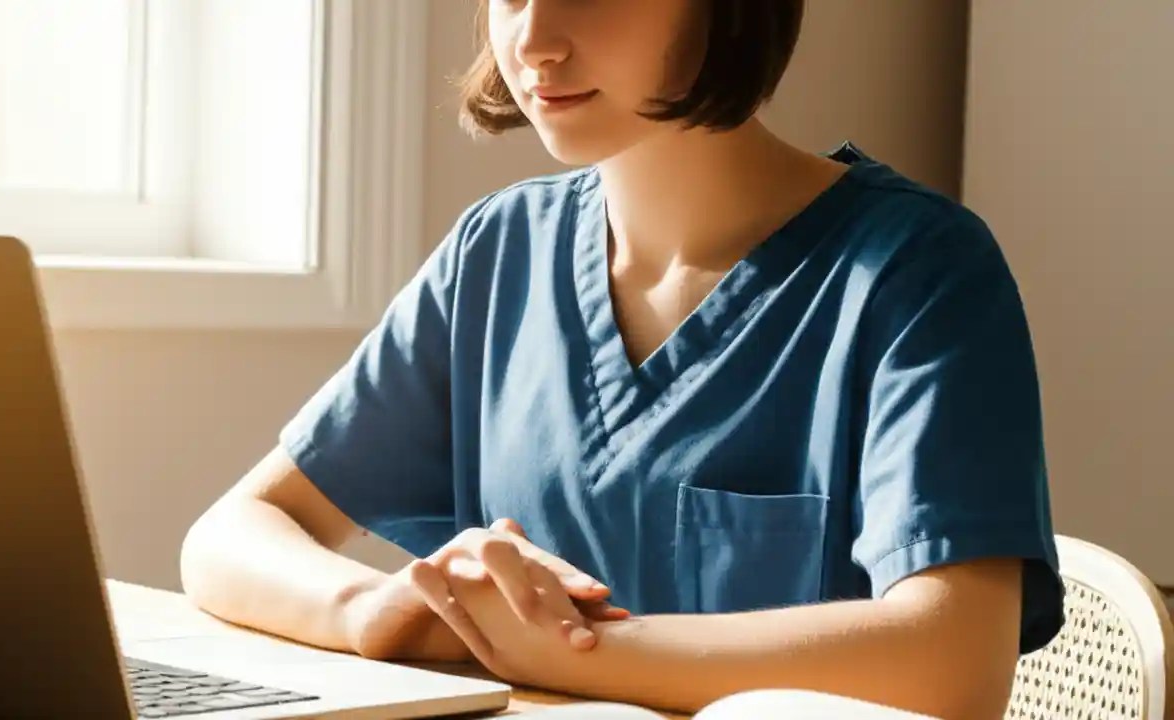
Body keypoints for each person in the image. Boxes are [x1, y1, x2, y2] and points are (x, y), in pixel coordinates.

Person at [180, 0, 1065, 716]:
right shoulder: (500, 253)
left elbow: (954, 667)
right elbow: (229, 535)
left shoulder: (916, 271)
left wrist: (578, 650)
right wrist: (376, 612)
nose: (533, 39)